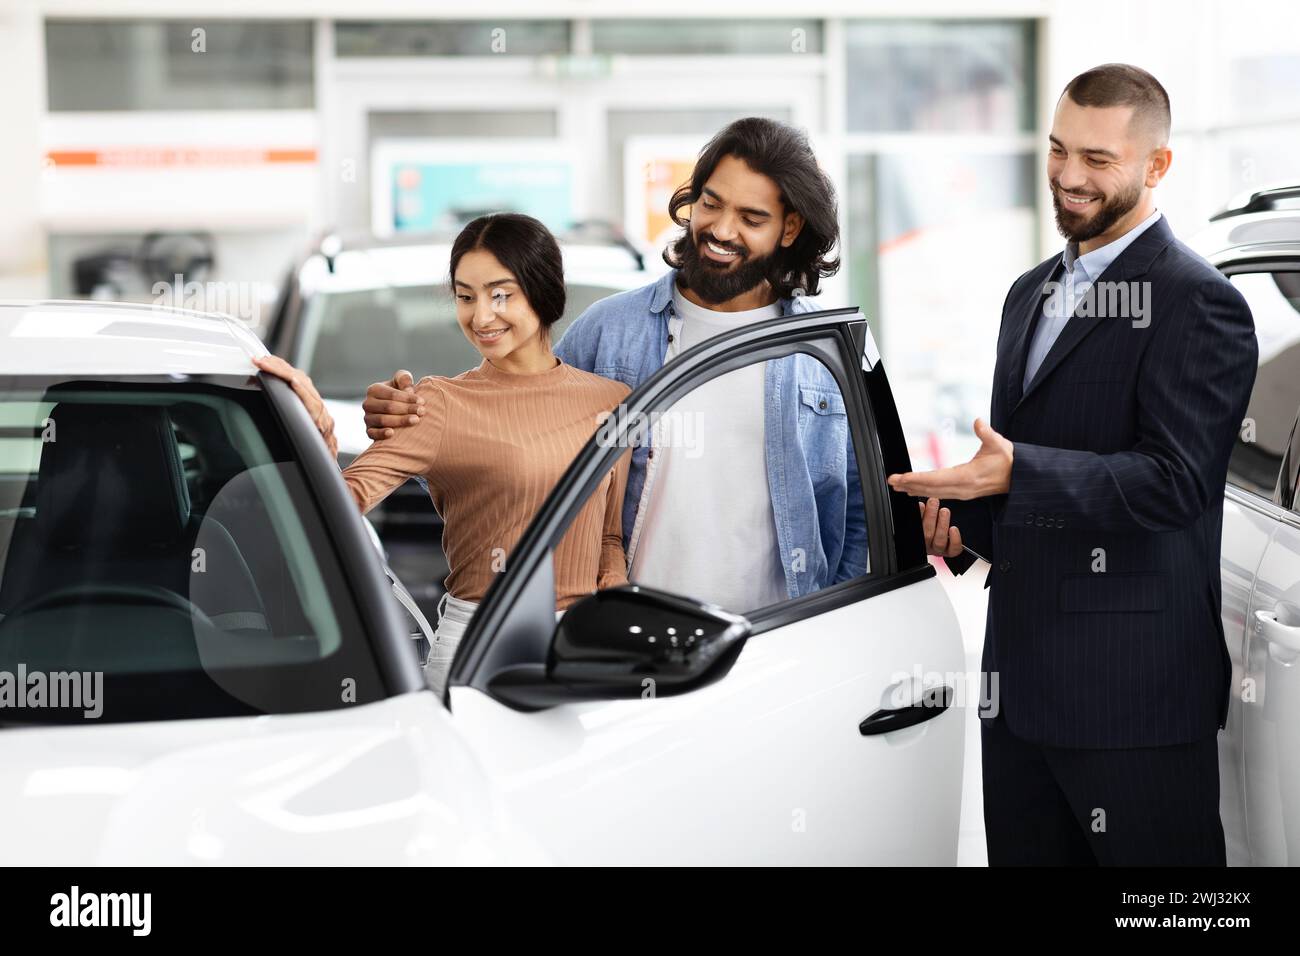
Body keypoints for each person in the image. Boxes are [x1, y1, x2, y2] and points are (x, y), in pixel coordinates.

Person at [889, 64, 1258, 866]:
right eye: (1058, 150)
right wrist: (965, 524)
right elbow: (1021, 475)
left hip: (1133, 705)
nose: (1068, 175)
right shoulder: (1028, 293)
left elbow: (1177, 482)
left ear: (1157, 167)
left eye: (1098, 159)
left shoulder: (1198, 301)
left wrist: (1019, 476)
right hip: (1019, 694)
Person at [362, 118, 867, 613]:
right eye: (710, 203)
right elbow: (509, 444)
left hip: (780, 639)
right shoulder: (610, 330)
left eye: (752, 219)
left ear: (790, 228)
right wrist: (410, 419)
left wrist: (835, 619)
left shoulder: (824, 349)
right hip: (626, 637)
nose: (720, 229)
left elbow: (862, 507)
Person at [256, 213, 631, 696]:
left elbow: (608, 539)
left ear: (542, 289)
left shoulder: (611, 401)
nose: (480, 317)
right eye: (465, 296)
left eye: (500, 294)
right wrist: (319, 426)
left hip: (585, 651)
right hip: (478, 648)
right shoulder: (438, 404)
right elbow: (336, 503)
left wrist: (618, 614)